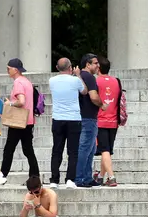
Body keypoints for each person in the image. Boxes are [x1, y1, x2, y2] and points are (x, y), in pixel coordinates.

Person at [0, 58, 39, 187]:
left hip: (18, 121)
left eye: (8, 68)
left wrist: (9, 103)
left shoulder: (18, 82)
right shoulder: (27, 81)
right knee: (28, 150)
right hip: (28, 120)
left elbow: (21, 101)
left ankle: (3, 175)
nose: (7, 71)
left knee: (9, 149)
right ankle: (35, 176)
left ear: (15, 70)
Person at [48, 58, 83, 188]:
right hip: (73, 118)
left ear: (57, 67)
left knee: (57, 150)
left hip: (57, 118)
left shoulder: (52, 81)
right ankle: (70, 179)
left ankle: (54, 179)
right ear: (70, 68)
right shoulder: (75, 80)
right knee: (73, 151)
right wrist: (78, 74)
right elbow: (84, 91)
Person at [75, 54, 102, 188]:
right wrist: (102, 105)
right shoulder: (89, 77)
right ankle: (80, 178)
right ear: (87, 64)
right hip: (88, 117)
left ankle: (86, 177)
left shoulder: (79, 77)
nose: (98, 66)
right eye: (95, 63)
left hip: (81, 116)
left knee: (91, 148)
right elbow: (94, 97)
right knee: (86, 148)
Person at [95, 57, 121, 187]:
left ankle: (112, 177)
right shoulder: (116, 81)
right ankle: (100, 176)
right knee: (108, 151)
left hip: (100, 120)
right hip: (114, 120)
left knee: (104, 149)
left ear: (98, 67)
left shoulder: (96, 81)